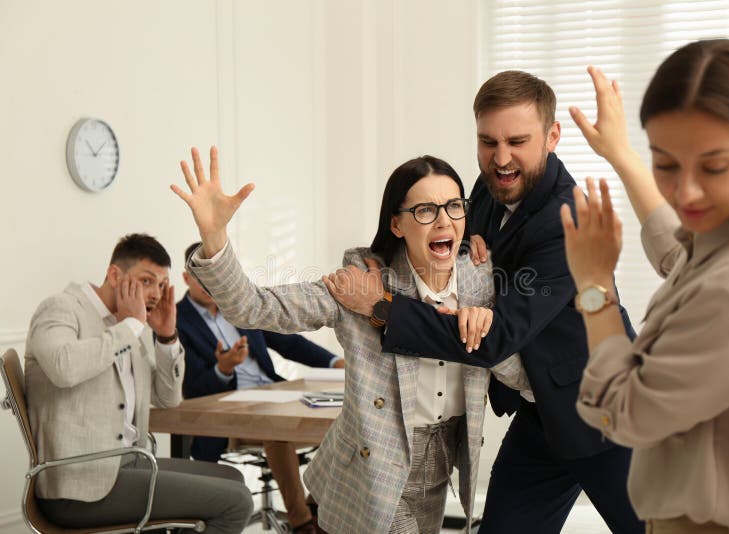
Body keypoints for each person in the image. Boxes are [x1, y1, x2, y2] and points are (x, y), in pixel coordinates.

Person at [325, 71, 642, 533]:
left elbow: (496, 336)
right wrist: (464, 245)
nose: (501, 157)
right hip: (545, 414)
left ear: (552, 136)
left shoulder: (568, 218)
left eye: (517, 140)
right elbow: (448, 241)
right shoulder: (491, 187)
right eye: (488, 141)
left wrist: (383, 306)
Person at [172, 148, 531, 534]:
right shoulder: (360, 284)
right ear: (397, 224)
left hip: (442, 459)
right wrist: (215, 239)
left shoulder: (481, 278)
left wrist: (488, 336)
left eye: (454, 206)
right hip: (375, 465)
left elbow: (522, 376)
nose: (444, 220)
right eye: (426, 210)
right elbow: (252, 308)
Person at [563, 39, 729, 532]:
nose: (685, 191)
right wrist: (621, 154)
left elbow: (623, 411)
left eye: (713, 167)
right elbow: (681, 258)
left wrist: (594, 287)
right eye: (665, 163)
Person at [24, 233, 253, 533]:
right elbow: (64, 369)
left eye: (161, 284)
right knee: (236, 502)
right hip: (80, 485)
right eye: (146, 281)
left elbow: (168, 397)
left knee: (232, 478)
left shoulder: (131, 325)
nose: (156, 294)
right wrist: (130, 325)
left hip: (129, 464)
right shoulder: (62, 308)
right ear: (114, 275)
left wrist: (167, 337)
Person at [178, 241, 342, 533]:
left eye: (213, 275)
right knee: (277, 428)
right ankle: (301, 522)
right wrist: (223, 368)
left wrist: (333, 362)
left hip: (272, 392)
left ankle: (316, 504)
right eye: (199, 275)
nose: (208, 283)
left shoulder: (240, 305)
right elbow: (192, 388)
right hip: (229, 408)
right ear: (186, 278)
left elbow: (289, 342)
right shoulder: (178, 320)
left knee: (345, 421)